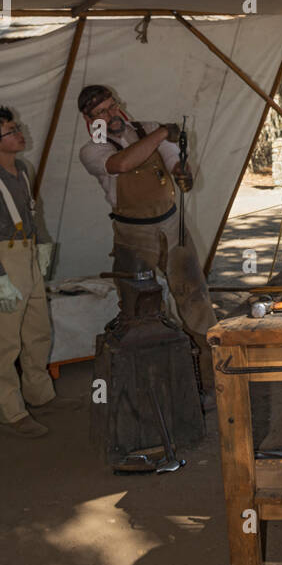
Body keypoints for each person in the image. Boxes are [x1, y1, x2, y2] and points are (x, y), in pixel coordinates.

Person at [76, 85, 216, 405]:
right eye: (101, 112)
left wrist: (181, 170)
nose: (111, 114)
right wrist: (162, 133)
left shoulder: (147, 129)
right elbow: (121, 164)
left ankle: (210, 381)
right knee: (142, 313)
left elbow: (171, 158)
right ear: (89, 121)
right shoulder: (92, 150)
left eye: (113, 106)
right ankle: (161, 391)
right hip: (133, 236)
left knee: (196, 301)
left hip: (172, 227)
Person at [0, 107, 79, 436]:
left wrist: (41, 246)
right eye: (11, 131)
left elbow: (32, 215)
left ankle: (40, 394)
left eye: (16, 127)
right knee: (5, 344)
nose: (20, 133)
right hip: (3, 264)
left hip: (27, 257)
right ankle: (12, 413)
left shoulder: (23, 171)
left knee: (37, 332)